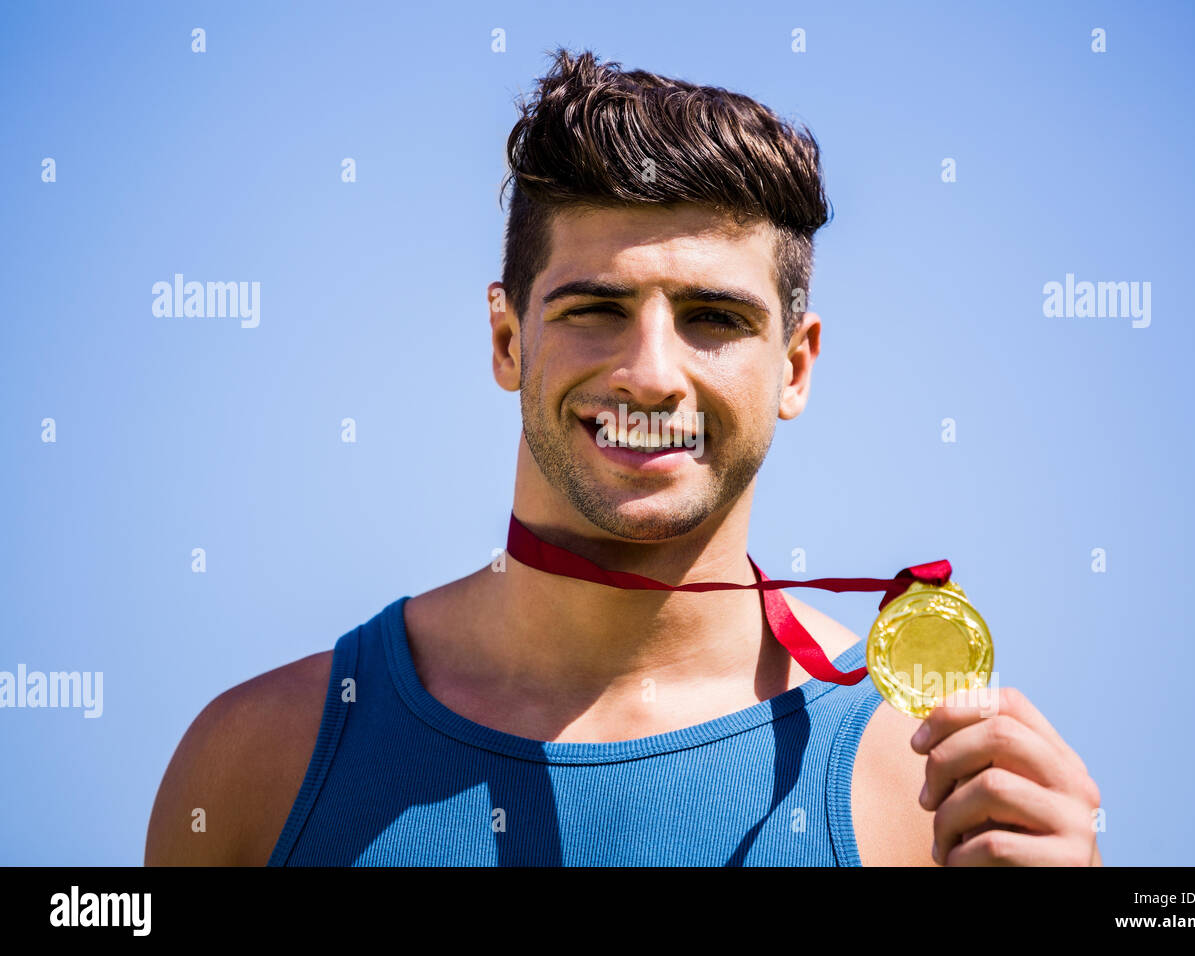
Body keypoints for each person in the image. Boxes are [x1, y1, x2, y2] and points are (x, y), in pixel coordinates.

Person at [145, 48, 1102, 867]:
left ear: (796, 366)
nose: (650, 375)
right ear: (507, 340)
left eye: (713, 318)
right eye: (596, 309)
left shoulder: (933, 792)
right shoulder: (261, 759)